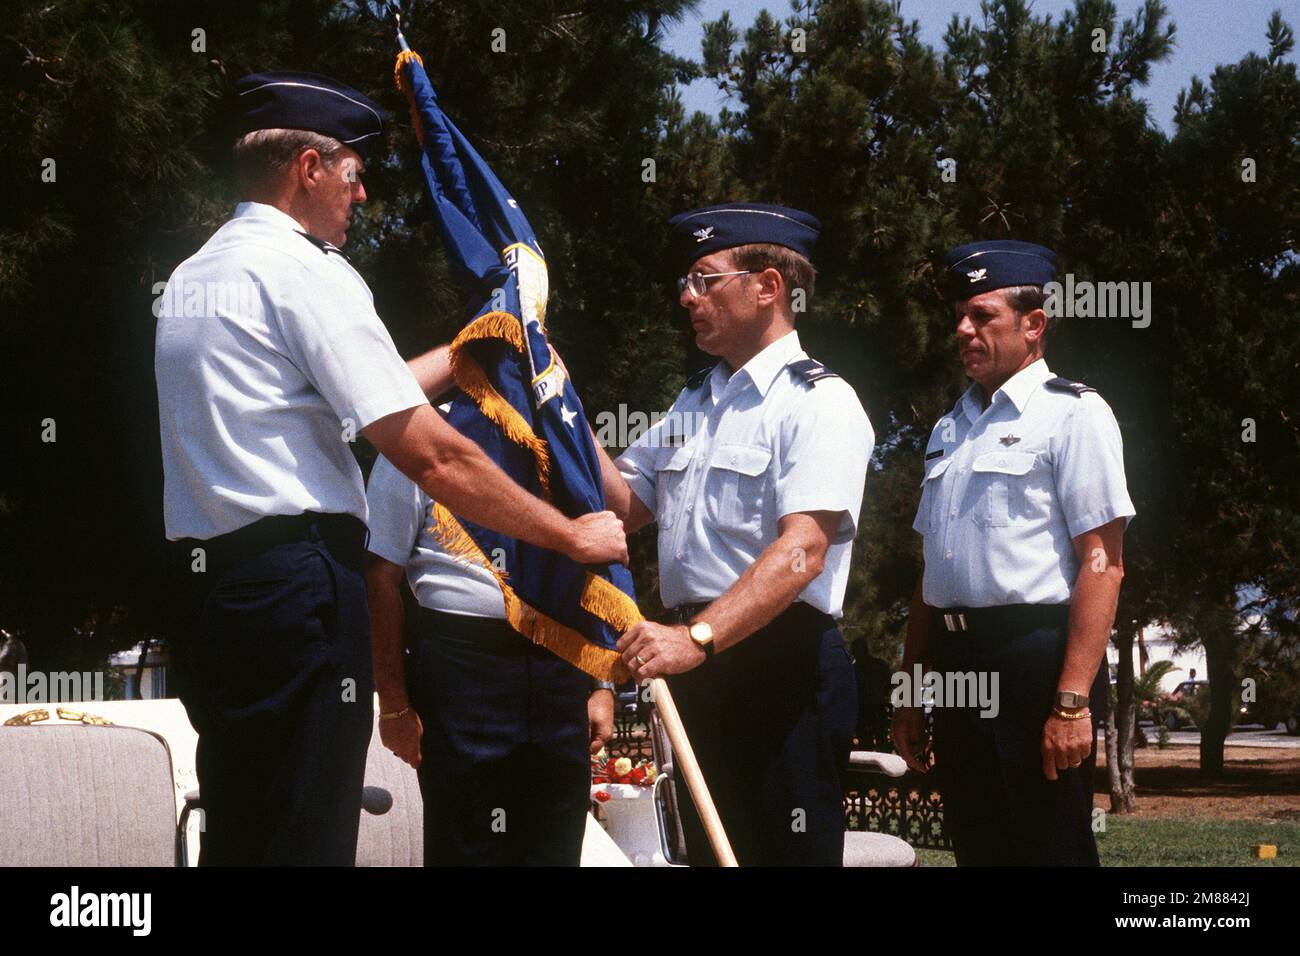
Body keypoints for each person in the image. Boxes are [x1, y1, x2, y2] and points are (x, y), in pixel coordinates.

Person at [154, 71, 626, 866]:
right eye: (353, 174)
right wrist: (570, 538)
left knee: (245, 826)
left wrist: (473, 348)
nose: (361, 195)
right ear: (308, 168)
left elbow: (335, 396)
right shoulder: (308, 270)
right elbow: (434, 454)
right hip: (301, 587)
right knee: (304, 834)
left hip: (219, 593)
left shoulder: (199, 274)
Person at [598, 203, 873, 866]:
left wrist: (695, 638)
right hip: (698, 664)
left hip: (781, 668)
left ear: (767, 287)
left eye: (704, 278)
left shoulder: (818, 401)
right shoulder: (696, 402)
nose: (687, 297)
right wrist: (555, 397)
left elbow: (803, 549)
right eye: (685, 284)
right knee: (713, 858)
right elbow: (624, 505)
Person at [891, 240, 1134, 866]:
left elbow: (1102, 563)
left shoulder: (1074, 415)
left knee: (1049, 847)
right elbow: (931, 572)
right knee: (979, 845)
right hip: (956, 657)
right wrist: (911, 688)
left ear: (1034, 325)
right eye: (960, 318)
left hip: (1035, 660)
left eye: (982, 316)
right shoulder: (951, 428)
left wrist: (1072, 701)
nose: (963, 330)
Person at [364, 445, 616, 865]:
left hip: (561, 663)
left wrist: (602, 681)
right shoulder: (412, 433)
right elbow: (379, 576)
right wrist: (393, 704)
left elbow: (601, 554)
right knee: (466, 844)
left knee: (555, 845)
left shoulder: (556, 431)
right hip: (463, 666)